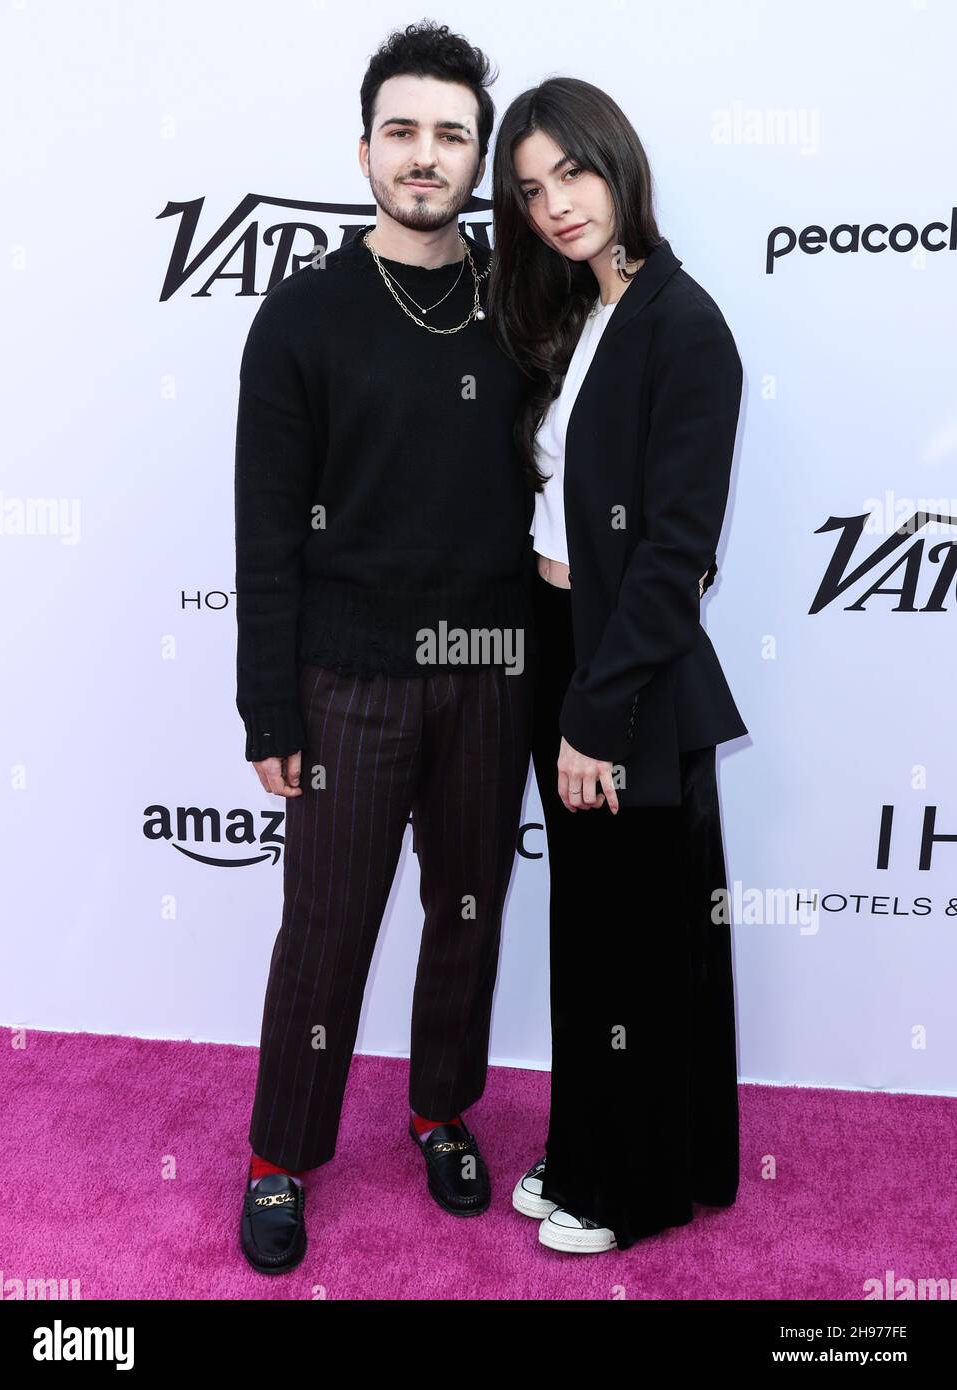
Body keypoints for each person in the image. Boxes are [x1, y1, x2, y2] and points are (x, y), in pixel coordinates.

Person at [233, 22, 536, 1274]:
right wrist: (270, 713)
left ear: (478, 158)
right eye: (402, 131)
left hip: (491, 669)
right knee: (327, 924)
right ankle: (277, 1158)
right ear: (363, 149)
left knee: (467, 911)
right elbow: (262, 533)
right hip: (346, 673)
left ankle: (439, 1111)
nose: (425, 156)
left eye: (450, 135)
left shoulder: (525, 305)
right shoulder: (301, 317)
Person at [488, 76, 748, 1253]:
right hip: (559, 646)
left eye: (571, 174)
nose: (553, 205)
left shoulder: (683, 327)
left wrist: (595, 714)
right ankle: (599, 1139)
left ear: (619, 164)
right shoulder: (584, 313)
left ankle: (631, 1186)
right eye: (531, 189)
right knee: (596, 930)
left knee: (636, 941)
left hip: (621, 669)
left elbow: (673, 554)